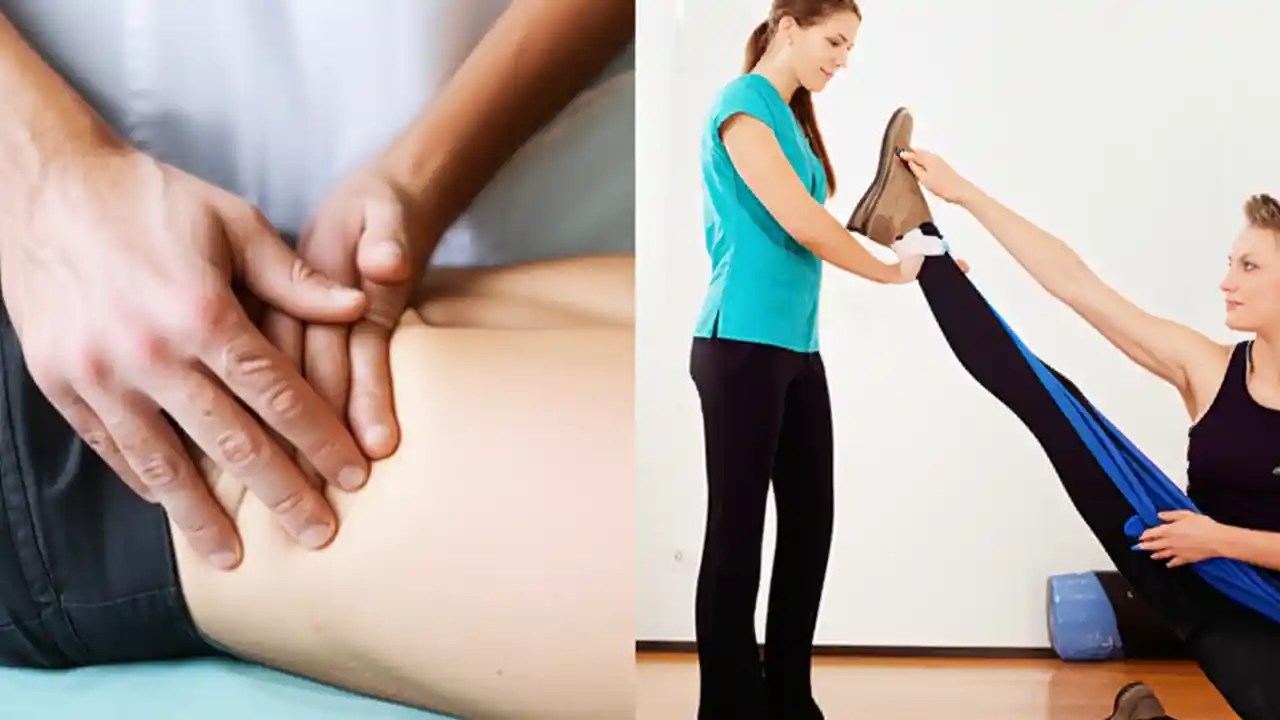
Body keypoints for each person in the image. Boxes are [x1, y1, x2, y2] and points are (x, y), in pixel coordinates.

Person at [870, 143, 1280, 720]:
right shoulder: (1209, 368)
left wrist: (1218, 538)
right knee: (1054, 404)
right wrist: (965, 194)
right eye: (1231, 262)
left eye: (1250, 266)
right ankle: (915, 235)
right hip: (1202, 574)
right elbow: (1076, 284)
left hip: (1217, 554)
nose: (1225, 281)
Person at [687, 2, 925, 717]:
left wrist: (916, 238)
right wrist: (892, 270)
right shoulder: (742, 107)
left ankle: (789, 696)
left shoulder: (792, 118)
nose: (842, 60)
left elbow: (826, 217)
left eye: (849, 48)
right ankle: (731, 705)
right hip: (740, 345)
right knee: (737, 532)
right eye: (834, 42)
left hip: (795, 348)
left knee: (810, 523)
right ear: (787, 26)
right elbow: (802, 222)